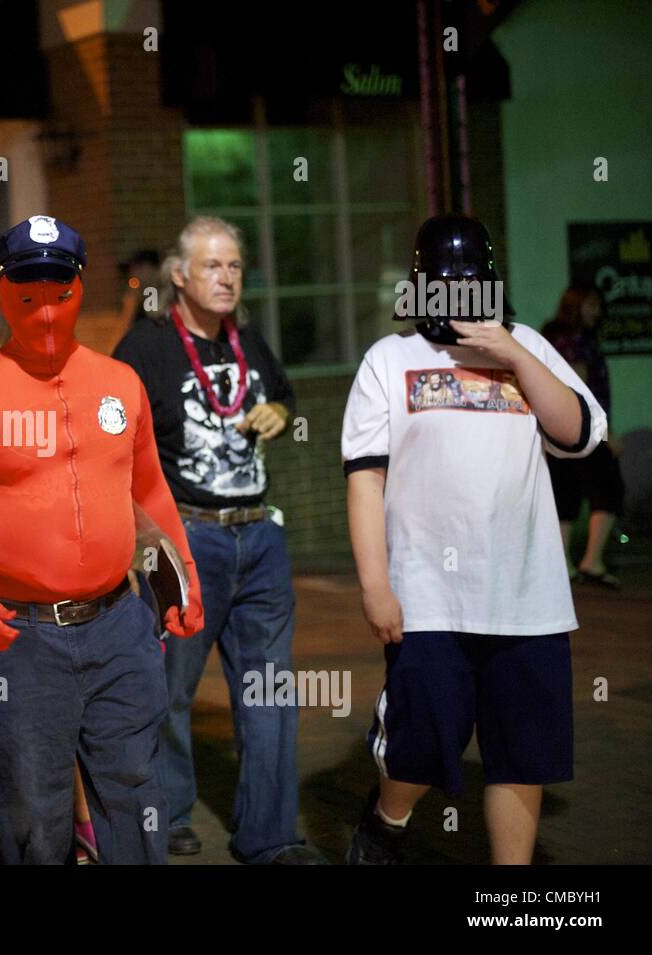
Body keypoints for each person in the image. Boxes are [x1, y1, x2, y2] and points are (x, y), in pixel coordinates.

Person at [0, 215, 204, 864]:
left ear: (77, 287)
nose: (44, 303)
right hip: (18, 639)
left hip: (119, 625)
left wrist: (183, 578)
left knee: (136, 794)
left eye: (58, 286)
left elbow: (152, 492)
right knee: (34, 813)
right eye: (27, 287)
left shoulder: (118, 382)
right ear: (3, 291)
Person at [342, 214, 606, 865]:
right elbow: (365, 479)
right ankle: (388, 820)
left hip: (527, 596)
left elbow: (577, 433)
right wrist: (375, 584)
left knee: (522, 754)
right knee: (422, 743)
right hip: (428, 595)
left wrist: (514, 354)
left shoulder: (529, 348)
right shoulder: (391, 359)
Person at [113, 216, 324, 864]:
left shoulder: (246, 337)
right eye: (213, 266)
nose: (228, 277)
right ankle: (170, 810)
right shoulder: (145, 347)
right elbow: (112, 445)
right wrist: (141, 541)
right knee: (169, 687)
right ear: (179, 275)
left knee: (268, 691)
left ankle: (270, 834)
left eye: (234, 265)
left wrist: (281, 414)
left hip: (259, 536)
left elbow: (284, 395)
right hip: (185, 537)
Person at [542, 286, 624, 587]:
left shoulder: (557, 338)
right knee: (608, 490)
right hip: (584, 430)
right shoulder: (574, 341)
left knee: (567, 493)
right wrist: (607, 433)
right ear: (575, 306)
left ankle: (566, 563)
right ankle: (591, 561)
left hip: (563, 430)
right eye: (590, 304)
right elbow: (579, 391)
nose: (597, 311)